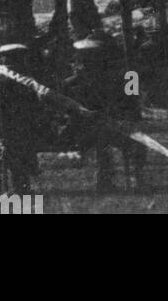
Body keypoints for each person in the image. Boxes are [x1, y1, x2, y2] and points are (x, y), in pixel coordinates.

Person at [62, 37, 146, 192]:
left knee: (113, 137)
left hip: (88, 130)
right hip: (81, 132)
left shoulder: (72, 82)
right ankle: (124, 180)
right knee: (110, 137)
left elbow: (129, 104)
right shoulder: (114, 79)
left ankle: (122, 180)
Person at [0, 43, 51, 194]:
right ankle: (22, 189)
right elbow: (39, 107)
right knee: (20, 157)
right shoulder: (29, 81)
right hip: (21, 128)